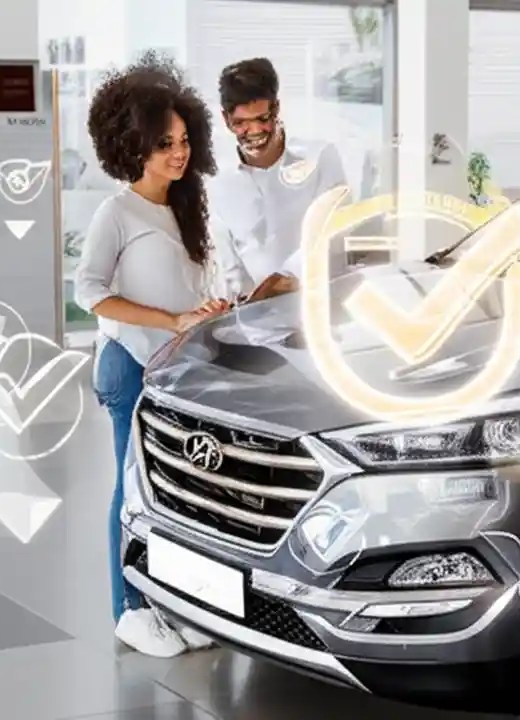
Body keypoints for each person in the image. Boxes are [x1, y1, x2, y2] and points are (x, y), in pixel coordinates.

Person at [75, 52, 229, 657]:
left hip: (177, 373)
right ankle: (128, 610)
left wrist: (207, 311)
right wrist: (170, 320)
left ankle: (172, 603)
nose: (178, 152)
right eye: (164, 142)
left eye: (184, 140)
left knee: (178, 495)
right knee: (131, 491)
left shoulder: (186, 208)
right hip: (129, 367)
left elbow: (189, 292)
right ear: (132, 144)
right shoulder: (116, 212)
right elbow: (90, 293)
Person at [207, 57, 349, 302]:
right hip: (256, 322)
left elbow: (331, 236)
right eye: (240, 123)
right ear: (226, 119)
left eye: (262, 119)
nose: (254, 132)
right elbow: (229, 266)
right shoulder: (218, 182)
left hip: (321, 311)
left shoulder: (321, 157)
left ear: (276, 108)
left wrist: (279, 282)